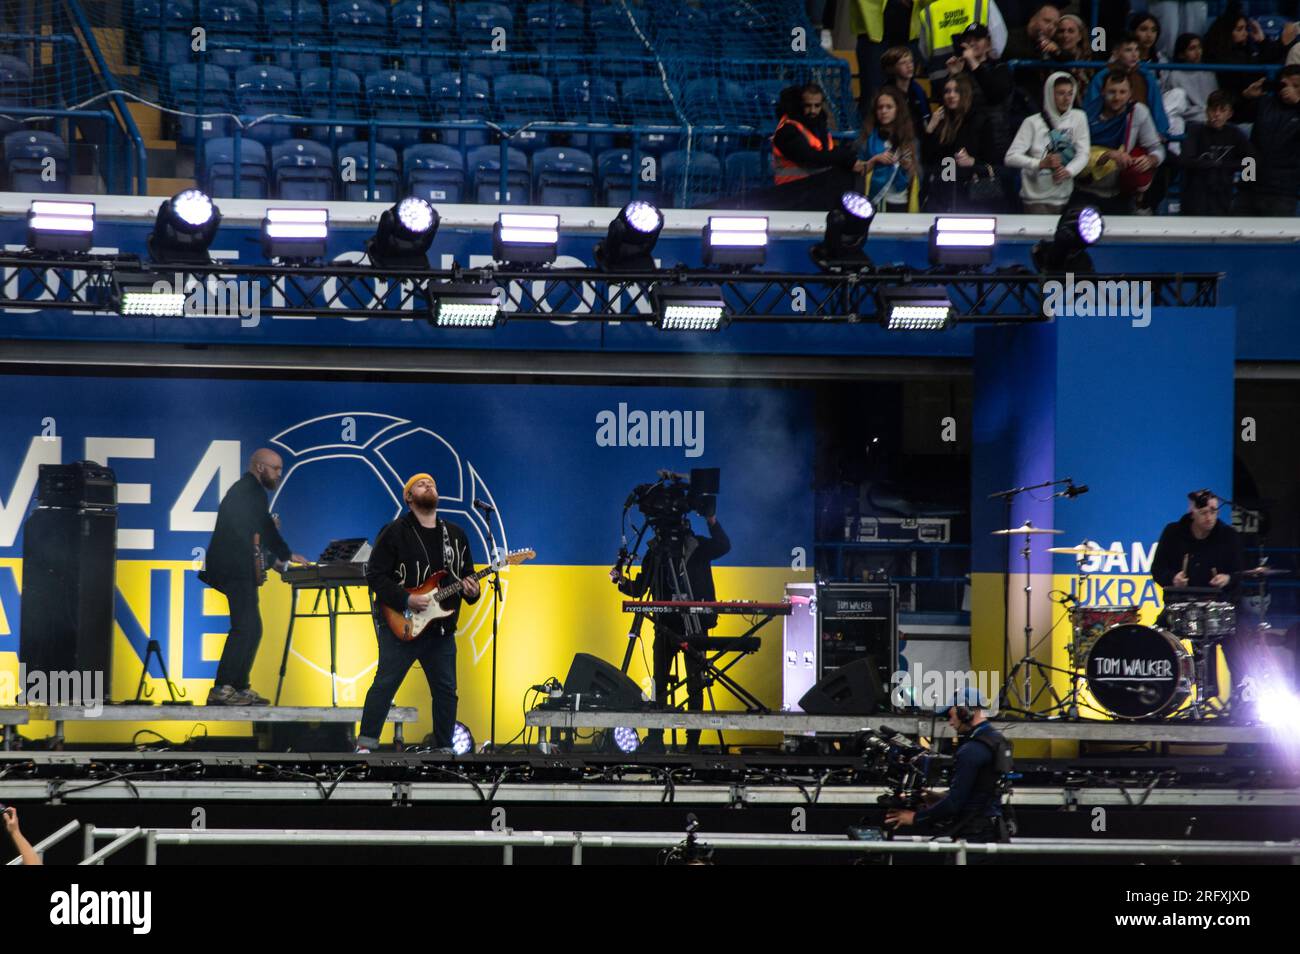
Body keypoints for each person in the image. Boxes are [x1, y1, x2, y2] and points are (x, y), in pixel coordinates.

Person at [357, 473, 480, 754]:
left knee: (446, 691)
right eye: (421, 484)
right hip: (403, 625)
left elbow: (468, 578)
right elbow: (375, 575)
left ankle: (444, 748)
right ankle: (365, 745)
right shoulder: (395, 531)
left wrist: (472, 591)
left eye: (433, 483)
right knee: (385, 683)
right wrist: (407, 599)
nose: (429, 485)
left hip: (441, 629)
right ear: (408, 497)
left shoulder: (456, 535)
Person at [611, 508, 730, 751]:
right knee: (660, 684)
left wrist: (711, 518)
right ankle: (656, 738)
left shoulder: (699, 546)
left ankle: (692, 742)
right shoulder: (656, 552)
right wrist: (621, 581)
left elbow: (724, 545)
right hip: (664, 626)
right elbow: (640, 588)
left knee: (696, 683)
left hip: (694, 624)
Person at [199, 448, 309, 706]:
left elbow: (253, 535)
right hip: (233, 568)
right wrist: (286, 553)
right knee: (245, 627)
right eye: (275, 468)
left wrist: (272, 559)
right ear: (260, 467)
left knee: (252, 628)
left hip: (237, 568)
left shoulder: (247, 492)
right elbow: (263, 527)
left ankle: (237, 686)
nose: (279, 474)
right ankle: (222, 688)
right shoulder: (250, 490)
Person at [1151, 489, 1245, 699]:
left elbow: (1239, 572)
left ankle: (1242, 696)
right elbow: (1157, 569)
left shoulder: (1228, 536)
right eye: (1204, 512)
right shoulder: (1174, 532)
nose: (1209, 517)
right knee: (1155, 640)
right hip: (1180, 605)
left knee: (1235, 639)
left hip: (1217, 606)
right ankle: (1157, 697)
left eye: (1213, 511)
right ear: (1192, 512)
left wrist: (1227, 578)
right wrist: (1172, 578)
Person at [885, 699, 1012, 847]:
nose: (950, 723)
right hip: (990, 828)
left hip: (974, 835)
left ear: (965, 712)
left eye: (951, 716)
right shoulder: (997, 740)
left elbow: (954, 803)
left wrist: (915, 818)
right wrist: (941, 797)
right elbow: (981, 788)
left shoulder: (972, 749)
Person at [1076, 68, 1165, 214]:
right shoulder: (1086, 115)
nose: (1117, 97)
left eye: (1122, 92)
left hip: (1120, 193)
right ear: (1103, 92)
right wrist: (1108, 155)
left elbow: (1158, 149)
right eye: (1112, 92)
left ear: (1130, 94)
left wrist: (1151, 159)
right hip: (1086, 191)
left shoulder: (1137, 112)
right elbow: (1077, 156)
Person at [1005, 71, 1090, 212]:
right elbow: (1011, 157)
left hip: (1065, 196)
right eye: (1061, 93)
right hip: (1035, 199)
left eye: (1070, 93)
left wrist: (1069, 171)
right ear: (1050, 94)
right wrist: (1040, 163)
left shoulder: (1079, 117)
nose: (1066, 99)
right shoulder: (1032, 122)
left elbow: (1084, 153)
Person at [923, 72, 1000, 211]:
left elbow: (994, 161)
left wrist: (973, 162)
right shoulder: (940, 122)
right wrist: (930, 129)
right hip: (945, 191)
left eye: (956, 91)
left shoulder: (980, 120)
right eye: (947, 91)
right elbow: (928, 159)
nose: (951, 95)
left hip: (973, 194)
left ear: (965, 94)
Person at [1202, 7, 1292, 123]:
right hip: (1234, 109)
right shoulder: (1221, 55)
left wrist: (1262, 41)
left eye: (1245, 28)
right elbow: (1253, 71)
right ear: (1227, 32)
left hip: (1248, 101)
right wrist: (1281, 43)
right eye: (1239, 29)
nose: (1245, 33)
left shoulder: (1246, 50)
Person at [1235, 65, 1300, 217]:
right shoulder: (1264, 103)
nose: (1288, 89)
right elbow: (1234, 116)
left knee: (1276, 237)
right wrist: (1245, 96)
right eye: (1285, 85)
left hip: (1283, 190)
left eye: (1296, 86)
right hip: (1248, 185)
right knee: (1237, 234)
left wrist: (1297, 102)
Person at [773, 84, 868, 187]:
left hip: (813, 187)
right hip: (791, 190)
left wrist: (849, 157)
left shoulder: (817, 126)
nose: (812, 110)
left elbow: (827, 151)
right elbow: (810, 158)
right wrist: (846, 158)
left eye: (817, 106)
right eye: (807, 105)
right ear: (800, 105)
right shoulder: (788, 130)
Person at [1179, 89, 1252, 215]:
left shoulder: (1235, 133)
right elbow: (1186, 160)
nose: (1217, 114)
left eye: (1222, 110)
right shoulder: (1195, 131)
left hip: (1223, 197)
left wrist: (1245, 184)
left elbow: (1251, 160)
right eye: (1213, 110)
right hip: (1195, 197)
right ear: (1207, 111)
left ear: (1230, 114)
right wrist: (1218, 164)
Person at [945, 22, 1013, 151]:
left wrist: (973, 62)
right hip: (966, 137)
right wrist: (954, 76)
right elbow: (949, 106)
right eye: (968, 40)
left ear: (988, 44)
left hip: (994, 137)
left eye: (977, 40)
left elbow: (995, 95)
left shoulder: (1000, 68)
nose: (971, 44)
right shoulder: (962, 70)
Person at [1085, 34, 1170, 137]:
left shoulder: (1146, 76)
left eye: (1137, 49)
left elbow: (1156, 107)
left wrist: (1161, 131)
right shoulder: (1102, 77)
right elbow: (1092, 110)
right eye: (1128, 50)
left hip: (1140, 132)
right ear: (1116, 53)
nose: (1134, 55)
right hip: (1107, 133)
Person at [850, 0, 924, 114]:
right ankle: (868, 131)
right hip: (872, 34)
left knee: (904, 97)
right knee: (872, 97)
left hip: (909, 33)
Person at [857, 86, 920, 210]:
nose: (884, 111)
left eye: (889, 107)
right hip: (873, 201)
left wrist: (908, 166)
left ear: (898, 110)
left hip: (900, 201)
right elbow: (858, 170)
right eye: (880, 107)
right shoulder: (867, 138)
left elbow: (916, 176)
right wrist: (875, 160)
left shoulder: (909, 139)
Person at [917, 0, 1009, 82]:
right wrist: (990, 61)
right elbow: (998, 39)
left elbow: (923, 51)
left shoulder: (929, 11)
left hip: (941, 78)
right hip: (978, 74)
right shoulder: (982, 2)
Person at [1003, 1, 1064, 114]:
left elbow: (1068, 58)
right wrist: (1039, 52)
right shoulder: (1011, 36)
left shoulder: (1053, 43)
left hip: (1042, 102)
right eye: (1046, 21)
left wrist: (1057, 51)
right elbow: (1010, 52)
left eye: (1055, 25)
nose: (1051, 27)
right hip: (1016, 100)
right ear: (1033, 19)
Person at [881, 44, 932, 142]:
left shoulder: (918, 91)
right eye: (903, 63)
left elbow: (925, 119)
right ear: (892, 68)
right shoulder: (886, 93)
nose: (909, 66)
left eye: (911, 61)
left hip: (918, 139)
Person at [1053, 13, 1095, 106]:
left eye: (1070, 31)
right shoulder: (1050, 57)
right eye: (1061, 31)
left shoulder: (1090, 60)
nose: (1065, 35)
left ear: (1080, 36)